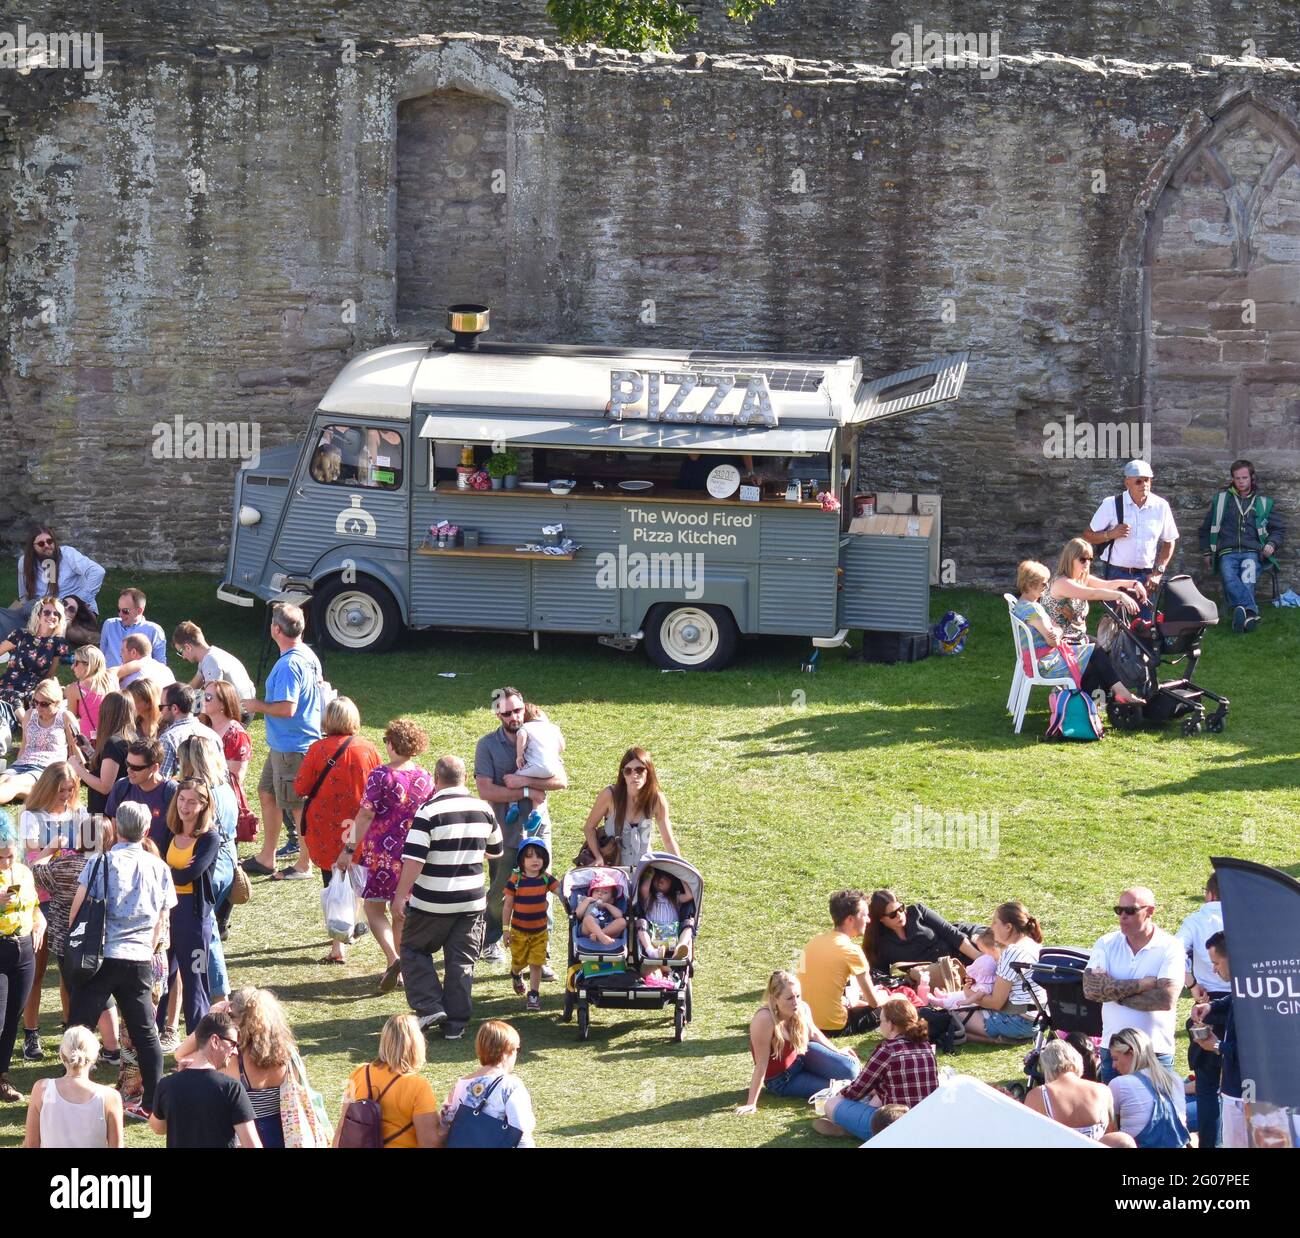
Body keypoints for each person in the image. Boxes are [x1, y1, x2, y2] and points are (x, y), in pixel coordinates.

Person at [67, 800, 174, 1120]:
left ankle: (72, 1092)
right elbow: (162, 918)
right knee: (146, 1033)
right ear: (146, 830)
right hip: (139, 957)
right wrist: (148, 945)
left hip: (100, 958)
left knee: (79, 1027)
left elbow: (77, 909)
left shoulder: (100, 863)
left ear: (116, 827)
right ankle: (153, 1103)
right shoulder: (159, 867)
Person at [394, 756, 502, 1039]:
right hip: (471, 902)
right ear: (465, 777)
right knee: (461, 962)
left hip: (431, 902)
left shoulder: (427, 812)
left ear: (436, 778)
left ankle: (429, 1005)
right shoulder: (484, 809)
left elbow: (414, 861)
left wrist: (399, 895)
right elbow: (496, 850)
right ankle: (456, 1025)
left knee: (413, 950)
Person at [474, 688, 569, 963]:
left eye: (518, 710)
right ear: (497, 714)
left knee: (543, 888)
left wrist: (524, 782)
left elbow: (560, 781)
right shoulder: (487, 745)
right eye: (507, 713)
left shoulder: (538, 737)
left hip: (538, 829)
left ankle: (542, 949)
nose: (515, 717)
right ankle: (491, 940)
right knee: (498, 892)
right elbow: (486, 791)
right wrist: (526, 793)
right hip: (503, 831)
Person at [343, 717, 431, 979]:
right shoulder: (425, 777)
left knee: (373, 908)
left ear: (391, 744)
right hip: (413, 853)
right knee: (401, 910)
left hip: (381, 852)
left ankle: (394, 960)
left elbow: (366, 815)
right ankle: (404, 964)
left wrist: (348, 849)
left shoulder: (381, 775)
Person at [241, 603, 323, 876]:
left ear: (276, 629)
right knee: (267, 792)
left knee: (298, 807)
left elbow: (287, 708)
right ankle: (267, 857)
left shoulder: (289, 664)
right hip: (284, 745)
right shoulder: (308, 654)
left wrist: (256, 705)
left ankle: (304, 863)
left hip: (293, 746)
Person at [174, 987, 308, 1149]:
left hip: (244, 1137)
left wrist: (212, 1020)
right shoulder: (288, 1054)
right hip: (285, 1136)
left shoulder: (233, 1058)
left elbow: (180, 1054)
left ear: (236, 1018)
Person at [18, 761, 88, 1059]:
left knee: (68, 971)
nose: (66, 795)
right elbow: (32, 851)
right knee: (35, 969)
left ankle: (67, 1031)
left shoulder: (80, 813)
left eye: (71, 789)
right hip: (41, 898)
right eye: (62, 790)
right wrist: (54, 845)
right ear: (49, 787)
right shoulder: (32, 816)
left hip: (72, 899)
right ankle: (30, 1033)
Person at [1083, 886, 1186, 1082]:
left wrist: (1114, 993)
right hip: (1113, 1050)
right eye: (1119, 910)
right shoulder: (1106, 943)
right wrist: (1139, 985)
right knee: (1116, 1112)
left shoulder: (1170, 947)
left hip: (1154, 1051)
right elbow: (1091, 989)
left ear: (1150, 912)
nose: (1123, 916)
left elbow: (1165, 999)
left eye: (1130, 911)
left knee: (1158, 1112)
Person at [1015, 558, 1146, 703]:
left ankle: (1103, 698)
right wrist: (1056, 631)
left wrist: (1056, 630)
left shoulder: (1022, 606)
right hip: (1046, 664)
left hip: (1038, 659)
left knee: (1095, 651)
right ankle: (1110, 697)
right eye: (1043, 584)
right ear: (1031, 584)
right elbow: (1052, 641)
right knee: (1096, 654)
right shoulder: (1033, 610)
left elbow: (1054, 629)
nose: (1046, 588)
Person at [31, 812, 108, 1058]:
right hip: (100, 939)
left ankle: (75, 1040)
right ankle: (109, 1045)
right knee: (101, 993)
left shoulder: (64, 863)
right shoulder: (110, 865)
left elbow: (35, 869)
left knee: (74, 991)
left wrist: (51, 848)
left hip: (66, 940)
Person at [815, 998, 939, 1139]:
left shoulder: (887, 1050)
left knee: (831, 1104)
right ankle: (853, 1128)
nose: (880, 1026)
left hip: (892, 1123)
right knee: (877, 1097)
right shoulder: (925, 1046)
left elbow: (856, 1090)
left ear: (891, 1025)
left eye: (881, 1021)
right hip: (925, 1120)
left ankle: (849, 1130)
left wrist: (839, 1095)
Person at [738, 971, 859, 1113]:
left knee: (851, 1069)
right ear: (774, 999)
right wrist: (751, 1103)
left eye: (798, 996)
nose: (796, 1002)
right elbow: (761, 1064)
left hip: (803, 1056)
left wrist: (837, 1051)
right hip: (782, 1079)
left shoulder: (802, 1007)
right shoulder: (764, 1020)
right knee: (842, 1089)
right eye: (789, 998)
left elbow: (813, 1033)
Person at [157, 779, 221, 1036]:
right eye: (182, 799)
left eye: (192, 802)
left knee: (195, 982)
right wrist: (174, 871)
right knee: (161, 977)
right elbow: (160, 866)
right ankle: (154, 1035)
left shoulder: (209, 838)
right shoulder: (169, 831)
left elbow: (188, 875)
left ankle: (199, 1042)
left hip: (193, 918)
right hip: (166, 914)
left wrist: (169, 871)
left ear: (203, 805)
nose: (185, 806)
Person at [177, 736, 237, 998]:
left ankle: (216, 992)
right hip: (228, 858)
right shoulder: (225, 785)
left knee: (205, 930)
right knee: (205, 926)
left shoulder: (198, 793)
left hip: (207, 862)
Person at [148, 1009, 260, 1147]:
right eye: (233, 1044)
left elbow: (158, 1128)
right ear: (215, 1041)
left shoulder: (167, 1085)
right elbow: (253, 1145)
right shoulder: (231, 1089)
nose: (236, 1052)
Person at [1199, 458, 1284, 632]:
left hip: (1253, 551)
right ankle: (1251, 613)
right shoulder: (1222, 500)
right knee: (1229, 576)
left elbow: (1278, 529)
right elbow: (1205, 529)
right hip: (1227, 551)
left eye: (1244, 478)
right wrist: (1207, 552)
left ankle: (1242, 613)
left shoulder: (1264, 502)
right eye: (1237, 478)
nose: (1241, 482)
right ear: (1232, 479)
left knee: (1248, 578)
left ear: (1252, 478)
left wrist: (1272, 544)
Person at [1177, 873, 1230, 1150]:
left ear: (1209, 894)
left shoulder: (1195, 921)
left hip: (1207, 1006)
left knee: (1208, 1086)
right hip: (1241, 1006)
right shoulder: (1245, 917)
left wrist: (1193, 984)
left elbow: (1175, 951)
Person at [337, 1012, 442, 1148]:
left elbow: (342, 1125)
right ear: (416, 1044)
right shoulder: (418, 1086)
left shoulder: (358, 1073)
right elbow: (429, 1143)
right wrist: (448, 1129)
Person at [1084, 459, 1180, 607]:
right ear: (1127, 483)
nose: (1144, 485)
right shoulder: (1111, 504)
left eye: (1147, 480)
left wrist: (1158, 573)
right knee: (1113, 623)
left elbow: (1169, 541)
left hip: (1146, 575)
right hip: (1116, 572)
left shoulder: (1161, 506)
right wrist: (1110, 534)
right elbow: (1088, 536)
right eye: (1139, 482)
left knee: (1145, 624)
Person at [0, 811, 46, 1102]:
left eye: (9, 855)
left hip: (24, 950)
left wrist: (40, 923)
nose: (6, 862)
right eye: (0, 857)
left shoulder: (24, 873)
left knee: (13, 1018)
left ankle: (2, 1077)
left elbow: (36, 907)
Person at [797, 889, 886, 1036]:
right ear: (850, 919)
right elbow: (873, 1003)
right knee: (884, 1010)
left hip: (804, 1020)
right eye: (864, 915)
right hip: (833, 1026)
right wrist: (882, 997)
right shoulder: (851, 950)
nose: (869, 920)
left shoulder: (814, 941)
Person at [580, 745, 679, 872]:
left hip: (643, 871)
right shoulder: (610, 795)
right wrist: (598, 857)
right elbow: (589, 828)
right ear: (623, 775)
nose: (634, 775)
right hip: (613, 870)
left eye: (639, 770)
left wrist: (682, 870)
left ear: (648, 772)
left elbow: (669, 841)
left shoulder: (656, 799)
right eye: (628, 771)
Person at [22, 1026, 125, 1148]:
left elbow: (31, 1145)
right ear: (95, 1056)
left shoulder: (42, 1089)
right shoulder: (110, 1097)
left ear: (61, 1054)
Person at [961, 901, 1048, 1044]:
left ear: (1008, 927)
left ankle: (1004, 1038)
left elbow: (996, 1002)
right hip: (1037, 1020)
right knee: (961, 1025)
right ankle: (1002, 1039)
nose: (991, 927)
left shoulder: (1013, 952)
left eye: (995, 922)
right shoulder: (1034, 945)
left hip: (1018, 1021)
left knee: (954, 1017)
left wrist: (968, 993)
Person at [443, 1019, 537, 1147]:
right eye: (517, 1049)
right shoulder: (510, 1086)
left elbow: (448, 1123)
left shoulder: (460, 1085)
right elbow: (521, 1130)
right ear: (507, 1051)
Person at [0, 526, 104, 641]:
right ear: (33, 548)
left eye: (50, 541)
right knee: (21, 611)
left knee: (74, 633)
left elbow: (97, 572)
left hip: (73, 609)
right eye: (41, 544)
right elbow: (24, 596)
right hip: (43, 610)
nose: (46, 545)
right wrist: (27, 614)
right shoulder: (25, 563)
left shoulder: (68, 554)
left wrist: (81, 601)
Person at [1025, 1038, 1133, 1146]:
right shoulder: (1103, 1090)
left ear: (1047, 1068)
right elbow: (1111, 1132)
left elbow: (1028, 1137)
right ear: (1077, 1061)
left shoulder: (1038, 1095)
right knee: (1123, 1140)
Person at [862, 888, 981, 978]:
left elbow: (953, 934)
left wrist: (979, 958)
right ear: (881, 919)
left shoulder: (918, 912)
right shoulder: (882, 944)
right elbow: (881, 976)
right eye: (893, 914)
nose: (900, 915)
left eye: (901, 909)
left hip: (966, 945)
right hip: (940, 973)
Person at [0, 599, 72, 742]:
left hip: (34, 688)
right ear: (38, 615)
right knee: (15, 699)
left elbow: (50, 674)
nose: (52, 616)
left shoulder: (57, 644)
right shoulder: (20, 635)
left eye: (57, 614)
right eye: (47, 612)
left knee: (42, 704)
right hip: (11, 684)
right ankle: (30, 730)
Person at [1107, 1026, 1190, 1148]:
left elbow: (1108, 1127)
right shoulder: (1174, 1078)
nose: (1113, 1065)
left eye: (1115, 1059)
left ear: (1131, 1053)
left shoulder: (1120, 1083)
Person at [0, 678, 78, 806]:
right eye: (35, 702)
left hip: (47, 769)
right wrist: (16, 764)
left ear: (57, 703)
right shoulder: (30, 714)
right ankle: (43, 794)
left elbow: (75, 748)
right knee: (5, 779)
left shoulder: (65, 717)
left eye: (44, 704)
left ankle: (46, 792)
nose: (38, 707)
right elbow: (24, 745)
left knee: (12, 782)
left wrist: (77, 774)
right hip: (23, 763)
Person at [502, 840, 561, 1010]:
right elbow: (507, 906)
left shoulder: (546, 878)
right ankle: (515, 974)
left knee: (536, 963)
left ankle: (534, 994)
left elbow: (561, 892)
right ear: (521, 861)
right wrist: (506, 930)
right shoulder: (516, 879)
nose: (535, 860)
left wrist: (571, 899)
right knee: (519, 962)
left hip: (539, 932)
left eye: (539, 857)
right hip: (518, 932)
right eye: (529, 857)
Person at [200, 680, 256, 840]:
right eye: (202, 695)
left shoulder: (236, 734)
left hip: (222, 802)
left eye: (209, 697)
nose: (203, 700)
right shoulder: (205, 728)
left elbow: (236, 776)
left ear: (223, 703)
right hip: (203, 797)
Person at [67, 691, 134, 817]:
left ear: (106, 713)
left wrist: (77, 768)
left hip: (104, 814)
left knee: (91, 837)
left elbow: (105, 786)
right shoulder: (131, 737)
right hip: (118, 810)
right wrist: (88, 750)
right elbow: (111, 768)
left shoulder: (113, 743)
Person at [104, 738, 177, 854]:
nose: (129, 770)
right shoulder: (121, 787)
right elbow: (114, 833)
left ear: (154, 768)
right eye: (127, 764)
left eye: (136, 768)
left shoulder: (172, 793)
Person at [502, 703, 566, 824]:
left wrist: (519, 755)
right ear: (537, 712)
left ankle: (513, 806)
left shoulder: (526, 727)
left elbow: (521, 736)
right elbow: (562, 747)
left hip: (535, 766)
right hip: (552, 769)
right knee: (539, 786)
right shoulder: (553, 727)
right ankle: (536, 812)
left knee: (514, 778)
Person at [634, 863, 696, 983]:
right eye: (658, 878)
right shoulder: (649, 898)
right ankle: (651, 952)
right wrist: (650, 873)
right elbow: (644, 888)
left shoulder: (675, 898)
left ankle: (680, 948)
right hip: (654, 935)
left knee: (689, 924)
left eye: (665, 879)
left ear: (672, 885)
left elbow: (689, 895)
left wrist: (681, 874)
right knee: (641, 924)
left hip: (673, 936)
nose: (660, 880)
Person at [172, 620, 255, 701]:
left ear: (188, 647)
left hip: (240, 712)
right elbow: (193, 687)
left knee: (193, 709)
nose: (182, 657)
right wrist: (176, 698)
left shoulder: (211, 660)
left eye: (180, 652)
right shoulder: (209, 656)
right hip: (241, 706)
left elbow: (211, 698)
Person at [157, 684, 226, 780]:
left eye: (161, 707)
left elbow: (162, 782)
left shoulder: (168, 739)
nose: (160, 712)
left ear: (174, 709)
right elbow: (223, 774)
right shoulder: (213, 736)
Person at [929, 925, 999, 1009]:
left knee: (961, 998)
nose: (983, 954)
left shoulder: (987, 986)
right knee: (961, 994)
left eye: (984, 951)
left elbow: (976, 997)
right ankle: (946, 996)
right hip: (972, 991)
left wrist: (966, 1001)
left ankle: (943, 1002)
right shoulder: (992, 959)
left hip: (973, 1001)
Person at [99, 588, 167, 669]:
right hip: (111, 678)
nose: (120, 614)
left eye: (125, 611)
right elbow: (100, 656)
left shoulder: (154, 630)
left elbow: (160, 664)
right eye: (119, 610)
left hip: (138, 679)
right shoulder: (110, 625)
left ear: (139, 611)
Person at [63, 645, 116, 742]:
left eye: (76, 663)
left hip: (87, 741)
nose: (72, 667)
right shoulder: (111, 679)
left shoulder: (75, 689)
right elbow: (133, 665)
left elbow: (71, 722)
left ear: (88, 664)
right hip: (112, 738)